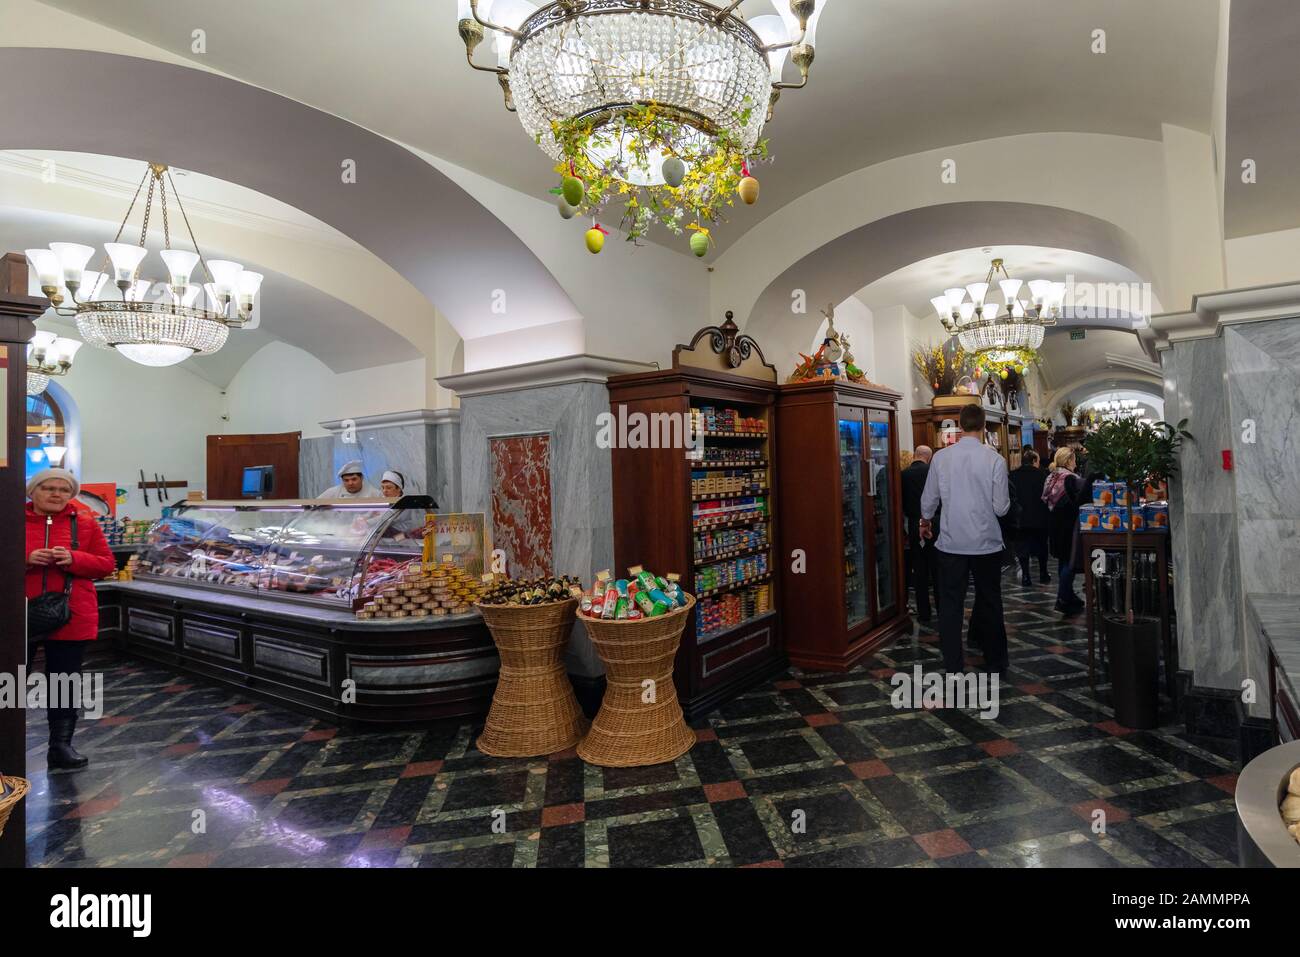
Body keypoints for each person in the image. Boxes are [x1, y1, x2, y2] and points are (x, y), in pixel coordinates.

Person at [25, 468, 115, 771]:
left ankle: (60, 746)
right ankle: (7, 745)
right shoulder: (11, 521)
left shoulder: (86, 523)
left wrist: (74, 559)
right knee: (9, 682)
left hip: (71, 615)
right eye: (48, 488)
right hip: (18, 615)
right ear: (32, 492)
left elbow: (106, 564)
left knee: (63, 682)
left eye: (63, 490)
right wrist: (25, 559)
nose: (56, 494)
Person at [919, 405, 1010, 675]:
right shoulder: (994, 460)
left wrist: (925, 521)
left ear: (959, 424)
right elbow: (1001, 508)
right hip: (986, 543)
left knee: (950, 606)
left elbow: (929, 500)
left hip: (951, 543)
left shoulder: (941, 458)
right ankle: (996, 660)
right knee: (991, 601)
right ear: (983, 426)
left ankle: (953, 663)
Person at [1044, 447, 1085, 615]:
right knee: (1070, 561)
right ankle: (1062, 598)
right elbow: (1078, 500)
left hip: (1054, 523)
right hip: (1069, 525)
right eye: (1074, 460)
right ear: (1068, 461)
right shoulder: (1070, 478)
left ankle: (1068, 595)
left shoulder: (1051, 476)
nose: (1076, 463)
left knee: (1063, 559)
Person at [901, 445, 939, 622]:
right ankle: (941, 606)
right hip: (934, 523)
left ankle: (924, 612)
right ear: (928, 457)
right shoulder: (933, 472)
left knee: (920, 568)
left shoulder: (904, 474)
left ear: (915, 455)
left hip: (913, 524)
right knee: (937, 567)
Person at [1010, 449, 1051, 586]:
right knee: (1042, 546)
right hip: (1040, 517)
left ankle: (1026, 575)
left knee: (1022, 548)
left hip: (1020, 518)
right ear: (1034, 461)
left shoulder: (1013, 475)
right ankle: (1043, 573)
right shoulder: (1043, 475)